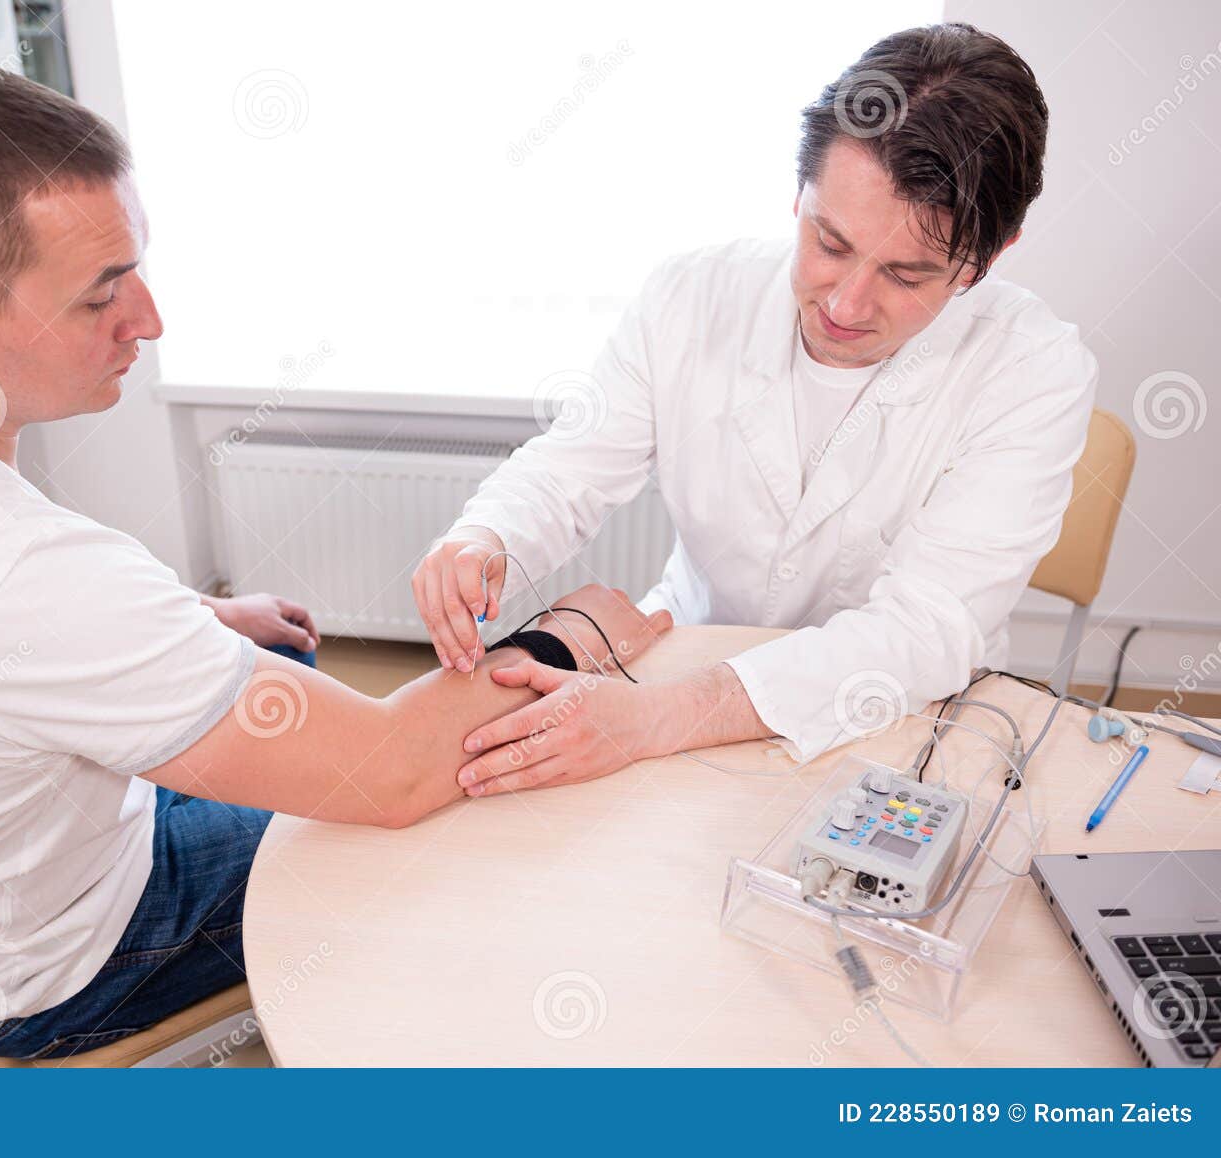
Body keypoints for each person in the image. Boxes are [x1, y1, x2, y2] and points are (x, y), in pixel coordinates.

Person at [0, 63, 671, 1060]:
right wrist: (580, 633)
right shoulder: (21, 578)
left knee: (286, 675)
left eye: (133, 268)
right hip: (66, 968)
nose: (147, 320)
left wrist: (191, 623)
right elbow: (391, 774)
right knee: (447, 807)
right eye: (99, 298)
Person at [413, 23, 1097, 796]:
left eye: (907, 275)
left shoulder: (1033, 369)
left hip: (895, 712)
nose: (845, 302)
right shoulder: (691, 297)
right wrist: (487, 535)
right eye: (829, 241)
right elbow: (572, 464)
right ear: (798, 193)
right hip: (685, 662)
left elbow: (922, 629)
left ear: (989, 259)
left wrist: (661, 719)